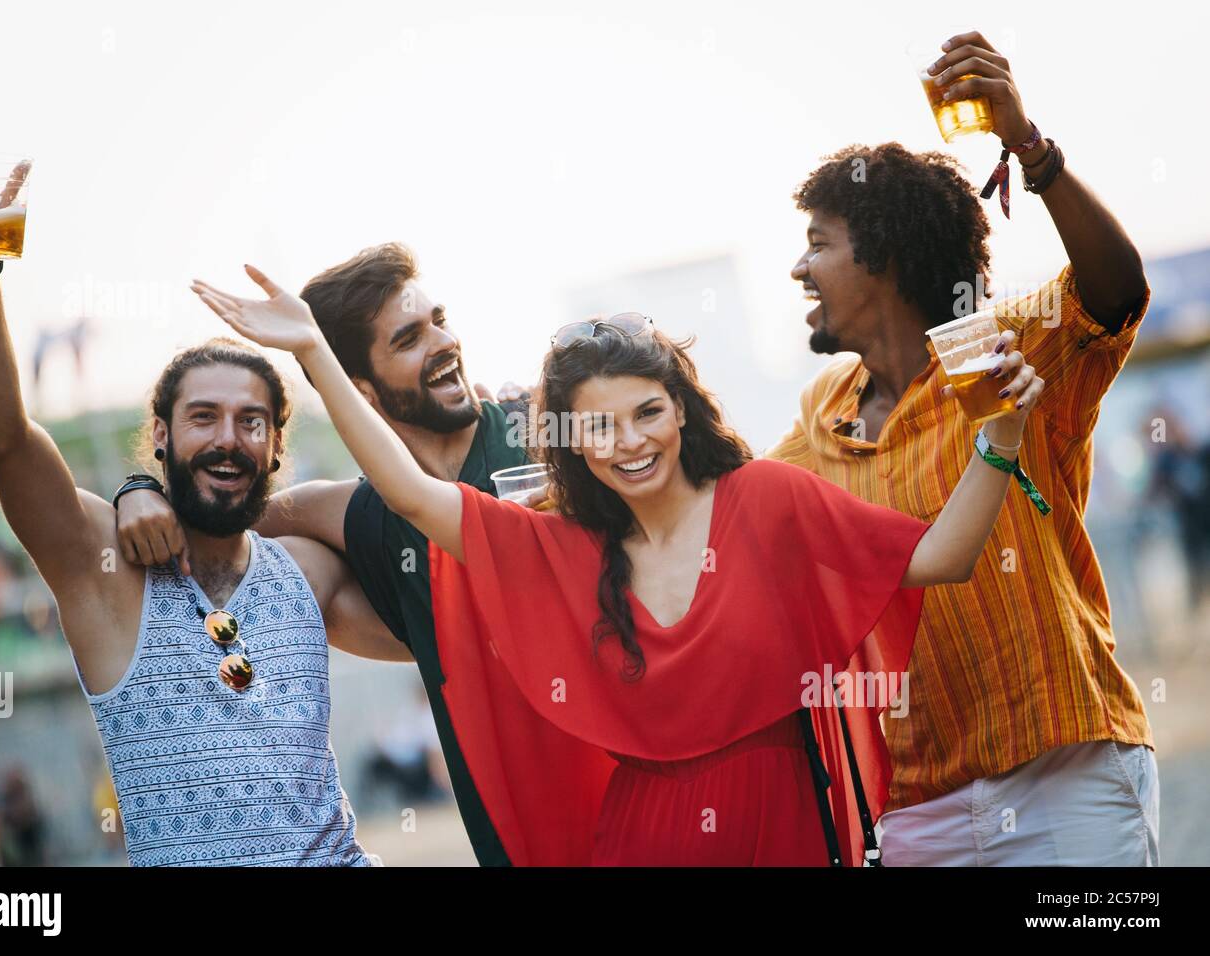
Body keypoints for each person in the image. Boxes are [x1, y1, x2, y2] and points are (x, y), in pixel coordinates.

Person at [186, 260, 1043, 866]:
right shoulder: (564, 548)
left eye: (646, 412)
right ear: (574, 447)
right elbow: (408, 493)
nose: (629, 441)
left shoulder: (769, 500)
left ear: (682, 409)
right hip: (639, 840)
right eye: (600, 426)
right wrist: (312, 356)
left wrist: (1000, 436)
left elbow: (943, 556)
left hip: (781, 826)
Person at [0, 153, 410, 866]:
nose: (228, 437)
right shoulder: (102, 570)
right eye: (204, 417)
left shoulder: (309, 571)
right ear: (161, 436)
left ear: (277, 445)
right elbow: (6, 441)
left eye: (252, 421)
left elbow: (440, 633)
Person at [765, 30, 1158, 864]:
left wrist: (1029, 149)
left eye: (819, 244)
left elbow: (1117, 290)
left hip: (1071, 774)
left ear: (888, 260)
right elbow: (712, 502)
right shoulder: (818, 421)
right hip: (915, 814)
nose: (800, 269)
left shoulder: (1002, 351)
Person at [116, 243, 531, 865]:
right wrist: (139, 489)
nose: (444, 341)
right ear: (357, 388)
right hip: (520, 841)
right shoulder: (354, 515)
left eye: (439, 319)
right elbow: (219, 506)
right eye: (410, 337)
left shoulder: (543, 432)